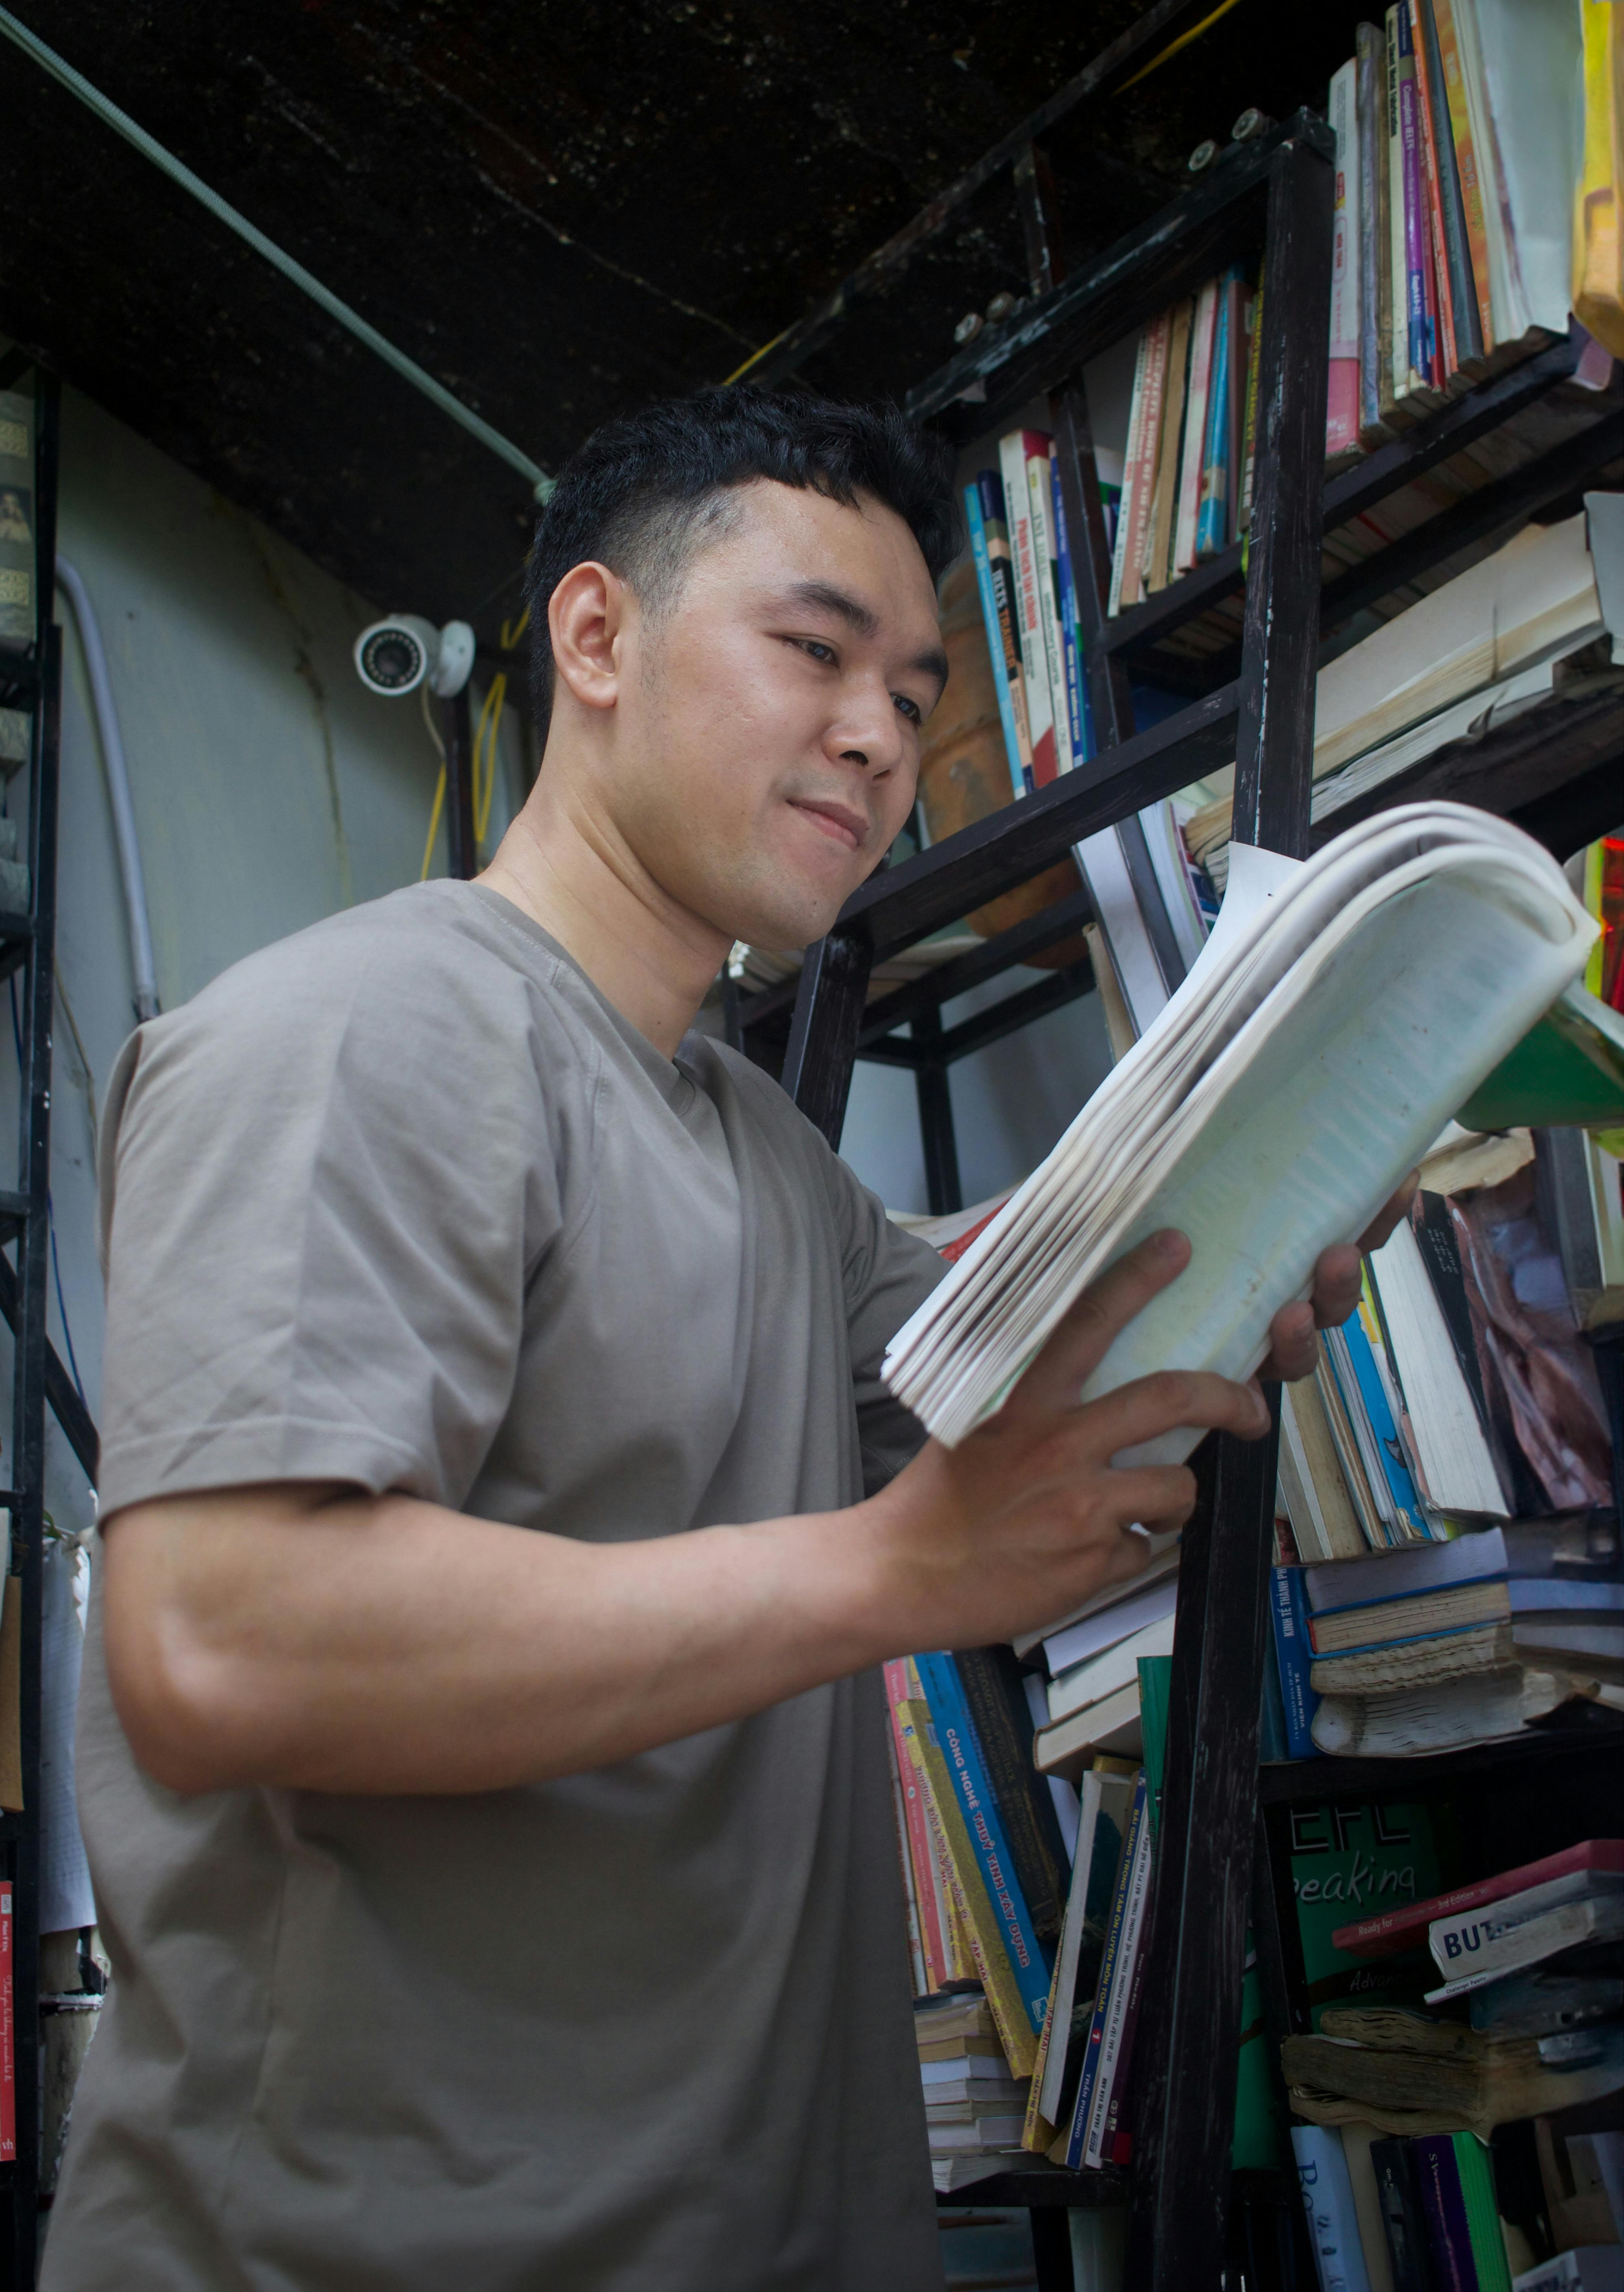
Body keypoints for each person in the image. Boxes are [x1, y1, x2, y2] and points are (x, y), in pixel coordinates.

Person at [46, 388, 1405, 2292]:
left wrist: (1273, 1192)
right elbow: (224, 1641)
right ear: (596, 638)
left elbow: (1016, 1413)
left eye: (913, 690)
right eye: (813, 651)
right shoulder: (360, 1032)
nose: (879, 734)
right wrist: (892, 1570)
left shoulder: (769, 1155)